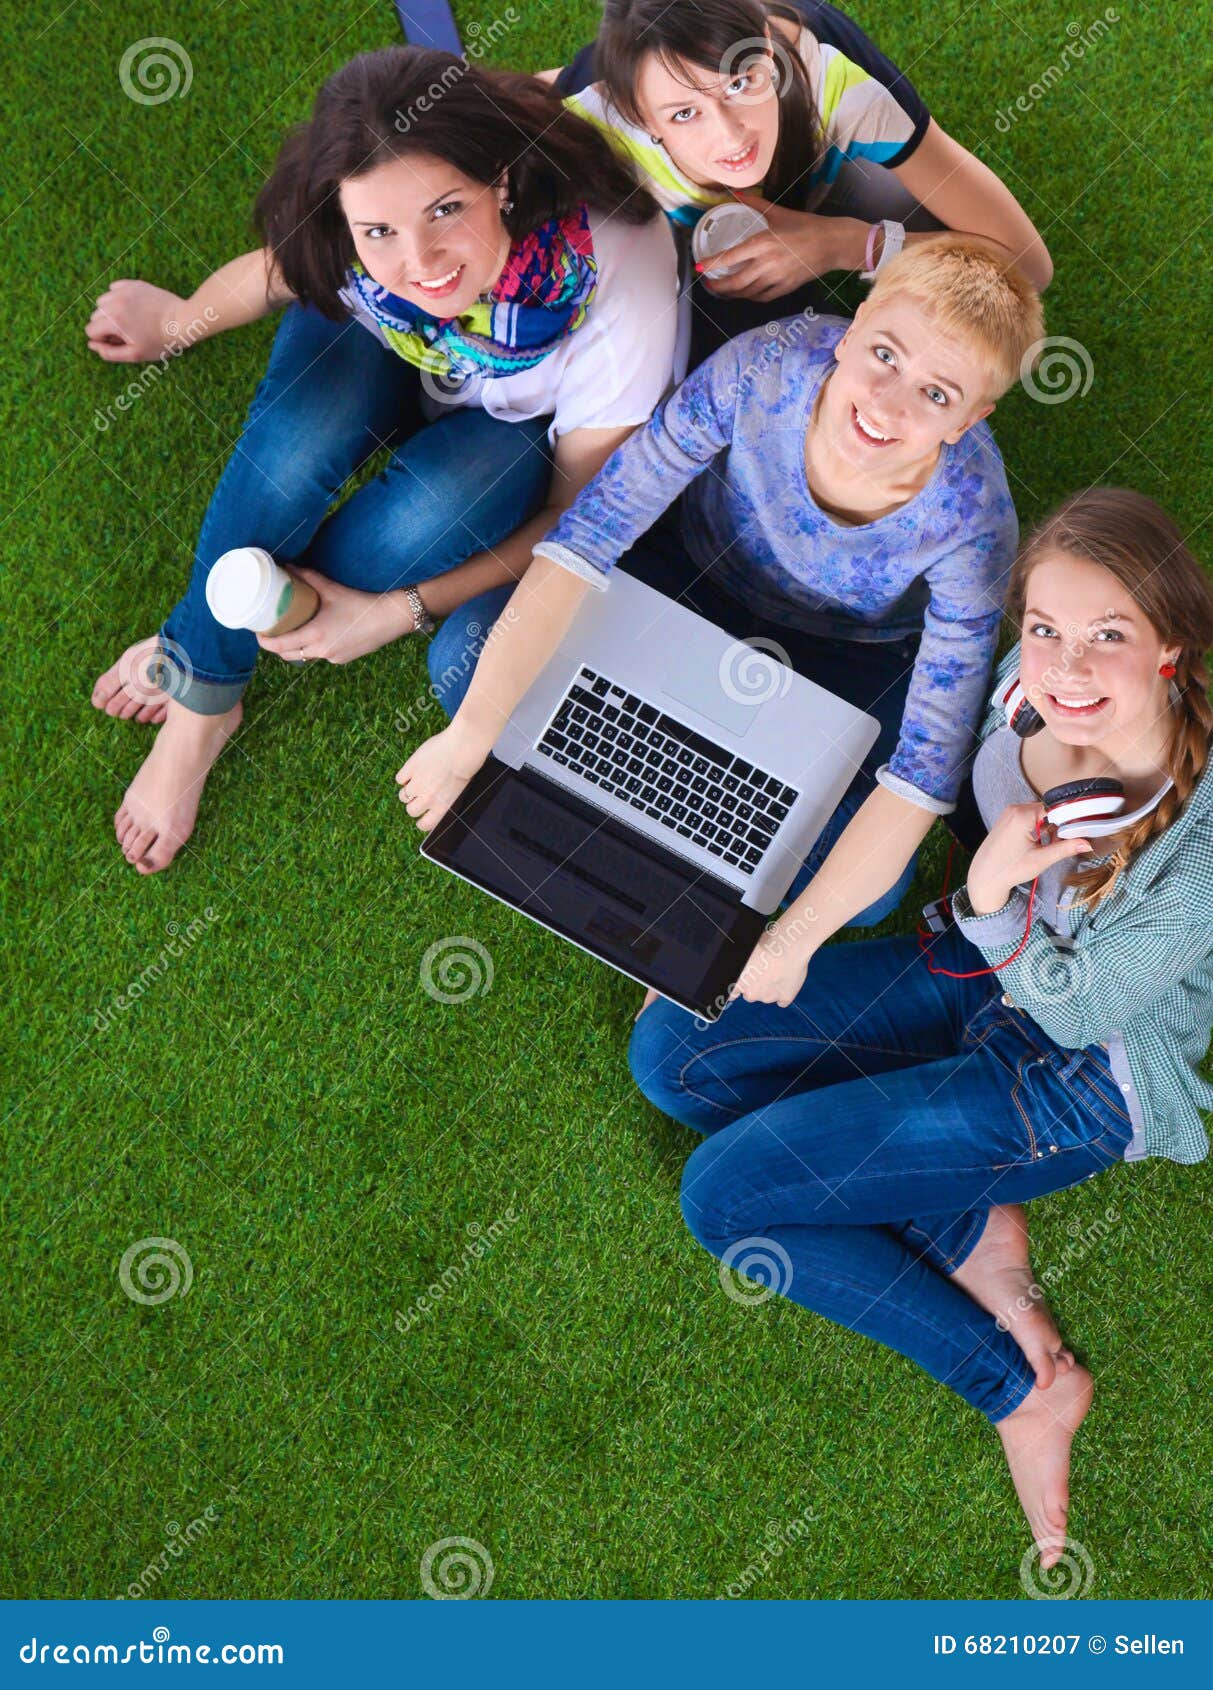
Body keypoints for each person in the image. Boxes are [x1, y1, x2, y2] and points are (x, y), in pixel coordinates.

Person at [628, 487, 1213, 1566]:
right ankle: (966, 1228)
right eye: (1043, 629)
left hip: (1077, 1076)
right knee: (671, 1053)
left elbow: (1081, 1004)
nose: (1066, 667)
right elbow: (913, 789)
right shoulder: (1022, 700)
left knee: (723, 1199)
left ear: (1171, 647)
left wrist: (992, 897)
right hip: (976, 975)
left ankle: (1016, 1389)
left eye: (1107, 636)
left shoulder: (1202, 845)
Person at [86, 46, 678, 874]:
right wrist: (177, 319)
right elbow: (277, 276)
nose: (421, 262)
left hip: (510, 423)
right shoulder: (355, 229)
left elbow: (571, 521)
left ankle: (203, 631)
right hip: (386, 345)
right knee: (290, 450)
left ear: (498, 178)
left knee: (417, 523)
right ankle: (202, 700)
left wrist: (403, 611)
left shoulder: (617, 283)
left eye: (446, 210)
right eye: (379, 232)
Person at [400, 235, 1041, 948]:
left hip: (844, 656)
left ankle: (666, 788)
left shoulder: (975, 523)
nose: (886, 404)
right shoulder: (763, 368)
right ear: (852, 329)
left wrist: (787, 939)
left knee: (869, 894)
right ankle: (681, 789)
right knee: (466, 651)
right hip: (691, 576)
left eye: (935, 394)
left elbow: (926, 762)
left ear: (967, 421)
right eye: (884, 355)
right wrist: (469, 739)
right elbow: (588, 534)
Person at [545, 0, 1052, 358]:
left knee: (927, 232)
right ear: (640, 117)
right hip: (660, 219)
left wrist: (848, 244)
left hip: (827, 175)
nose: (731, 136)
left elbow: (1027, 265)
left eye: (741, 82)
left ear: (767, 45)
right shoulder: (591, 122)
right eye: (684, 114)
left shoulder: (842, 81)